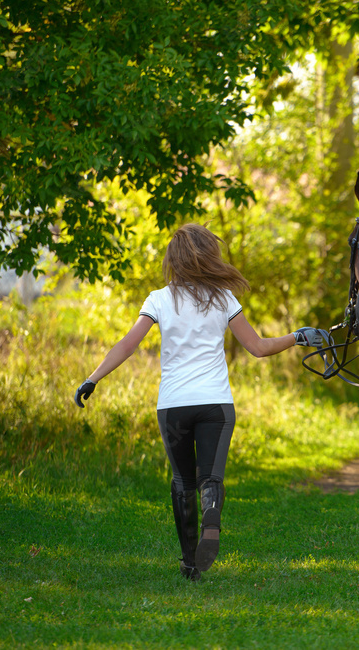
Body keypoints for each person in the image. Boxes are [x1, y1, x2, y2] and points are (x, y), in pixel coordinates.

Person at [73, 223, 327, 581]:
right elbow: (258, 348)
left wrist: (92, 378)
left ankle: (190, 564)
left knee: (182, 482)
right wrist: (299, 336)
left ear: (173, 260)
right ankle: (212, 514)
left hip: (173, 406)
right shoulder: (224, 298)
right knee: (211, 478)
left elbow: (127, 345)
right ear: (209, 255)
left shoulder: (158, 299)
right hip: (215, 405)